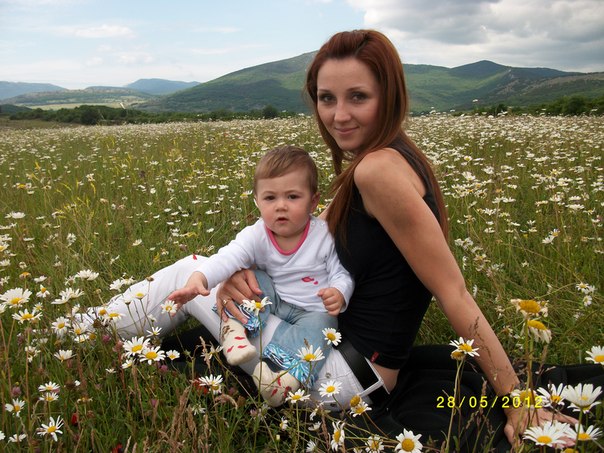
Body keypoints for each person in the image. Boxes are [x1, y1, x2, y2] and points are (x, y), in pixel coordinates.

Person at [91, 29, 601, 451]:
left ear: (388, 96)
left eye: (358, 96)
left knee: (190, 270)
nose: (338, 115)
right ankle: (102, 332)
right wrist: (243, 275)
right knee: (213, 274)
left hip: (343, 377)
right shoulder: (395, 156)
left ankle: (86, 335)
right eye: (326, 98)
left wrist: (516, 400)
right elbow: (309, 252)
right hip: (346, 356)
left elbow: (454, 292)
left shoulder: (378, 171)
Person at [164, 145, 354, 407]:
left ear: (313, 201)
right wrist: (200, 278)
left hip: (312, 308)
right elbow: (228, 257)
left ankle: (283, 382)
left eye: (292, 197)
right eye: (270, 198)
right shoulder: (257, 234)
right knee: (253, 280)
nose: (281, 206)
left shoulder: (323, 235)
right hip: (274, 298)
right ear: (256, 200)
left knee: (323, 328)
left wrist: (340, 292)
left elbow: (341, 271)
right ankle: (234, 334)